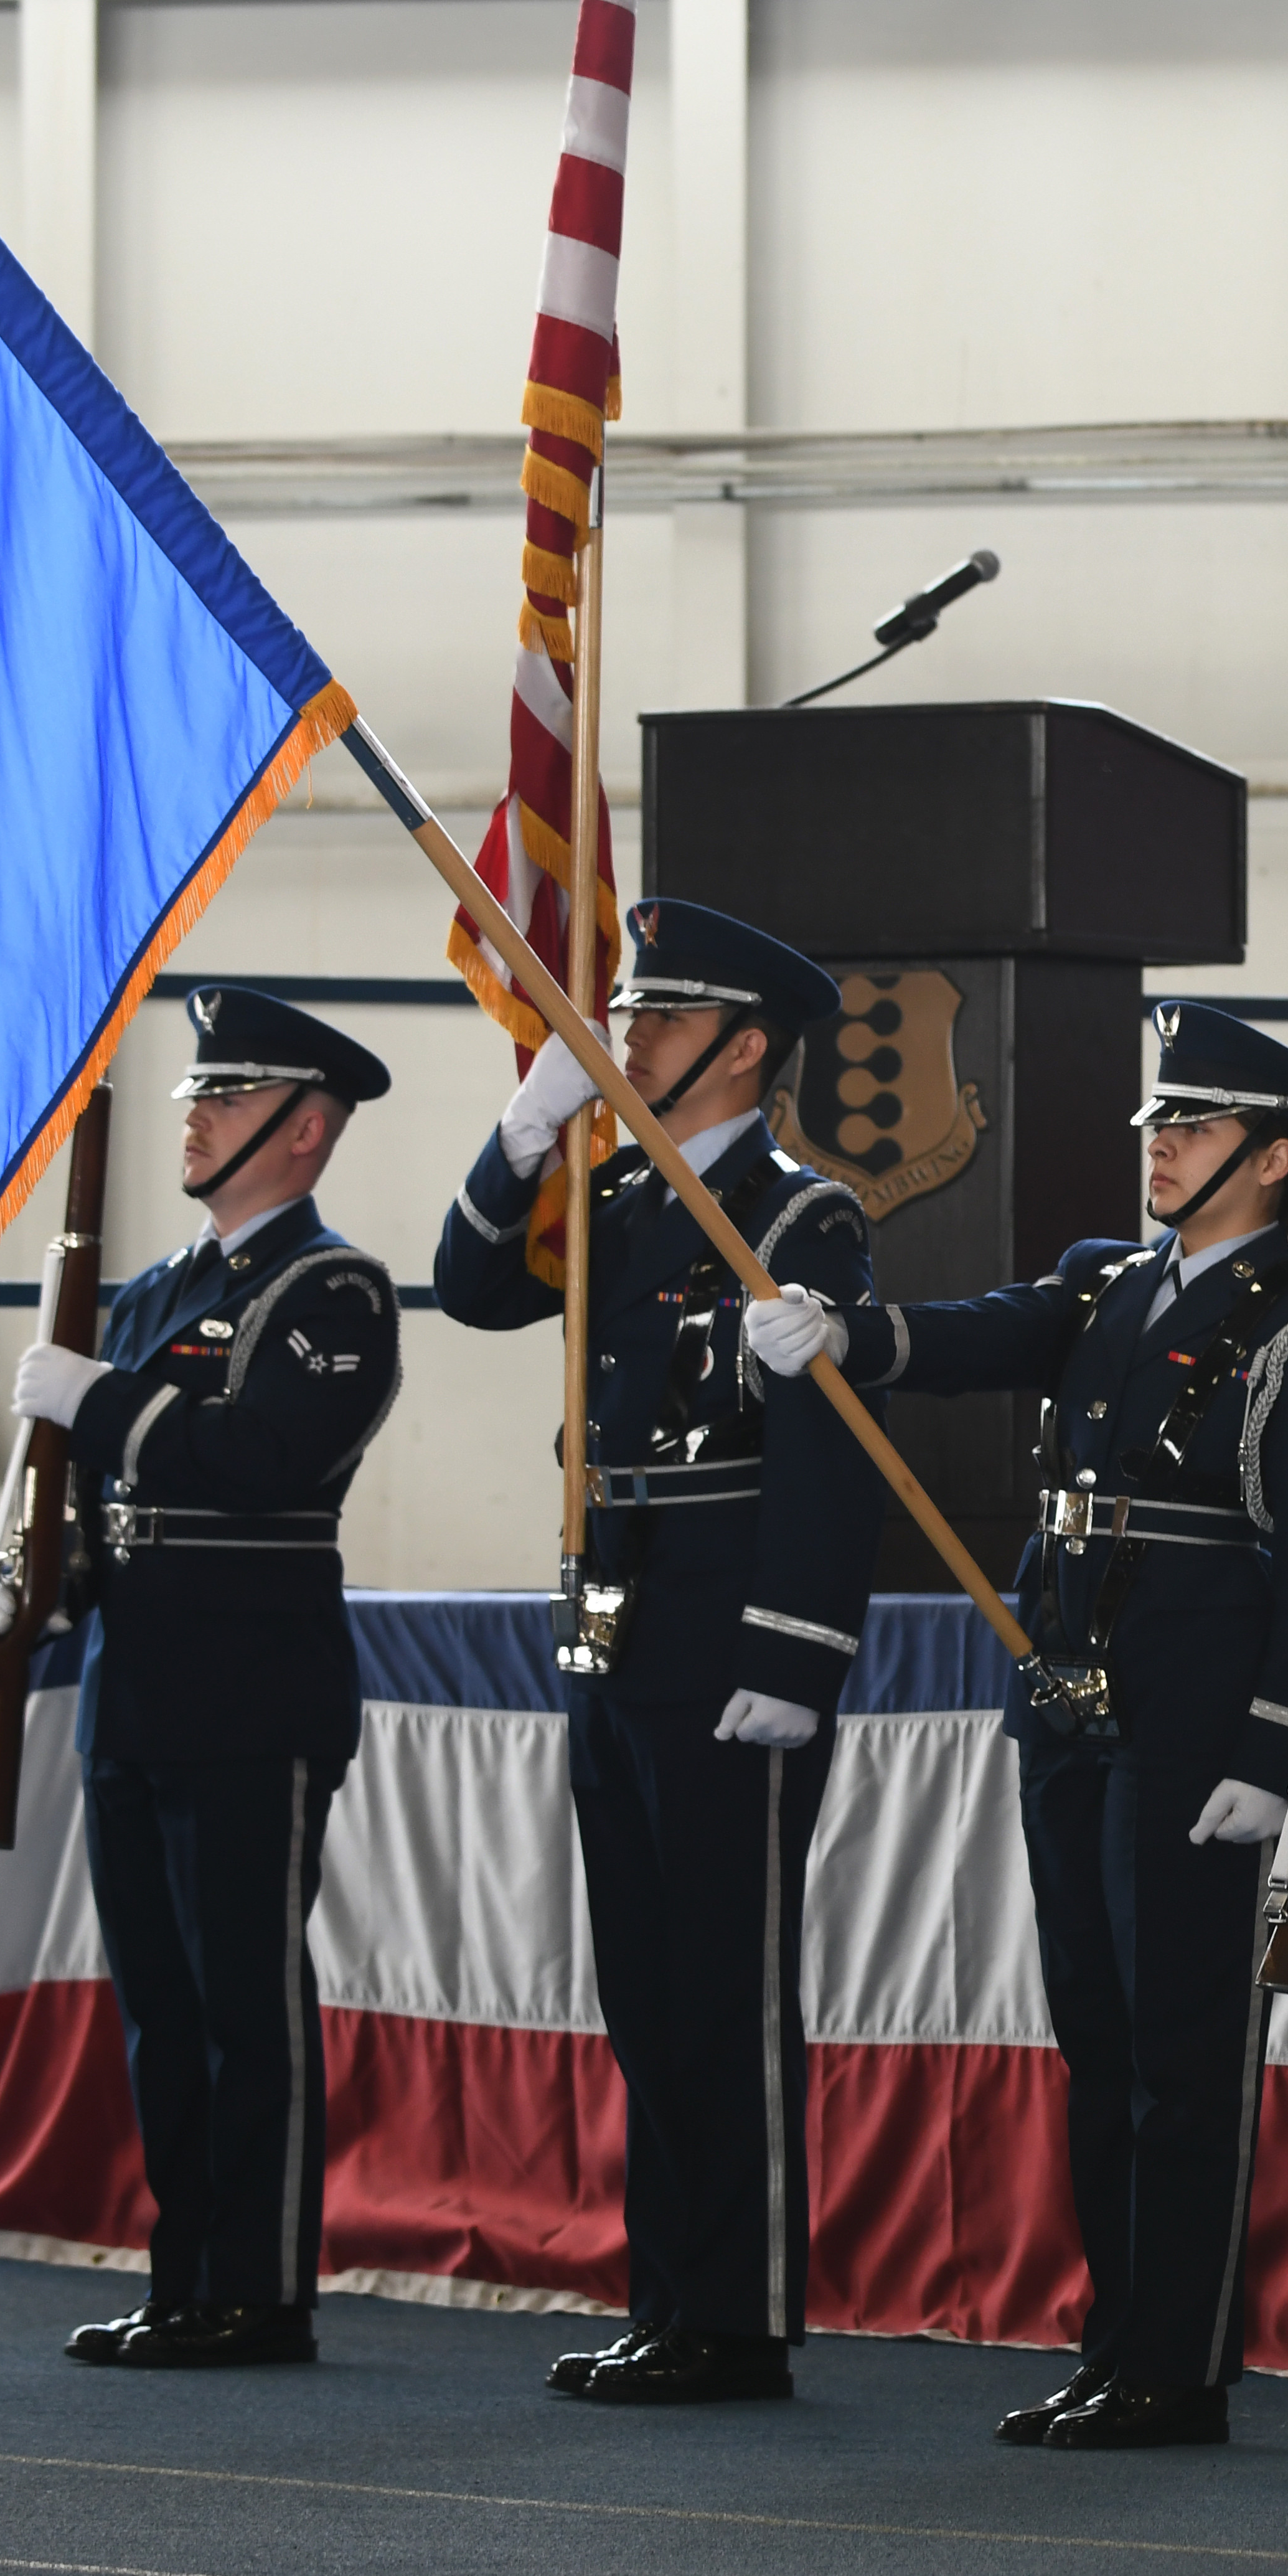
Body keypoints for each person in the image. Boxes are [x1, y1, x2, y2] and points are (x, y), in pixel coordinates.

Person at [745, 1002, 1288, 2453]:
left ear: (1275, 1159)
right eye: (1158, 1123)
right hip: (1069, 1689)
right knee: (1095, 2029)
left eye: (1196, 1127)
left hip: (1195, 1712)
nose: (1160, 1145)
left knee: (1179, 2043)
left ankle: (1178, 2358)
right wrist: (850, 1329)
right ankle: (1116, 2341)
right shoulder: (1108, 1283)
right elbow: (981, 1333)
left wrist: (1269, 1747)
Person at [433, 899, 885, 2407]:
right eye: (627, 1017)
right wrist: (517, 1141)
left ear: (744, 1044)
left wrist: (795, 1646)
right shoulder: (619, 1193)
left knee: (725, 1978)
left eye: (657, 1019)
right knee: (641, 1972)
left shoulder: (800, 1216)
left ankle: (742, 2310)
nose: (623, 1040)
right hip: (614, 1601)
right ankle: (672, 2292)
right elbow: (474, 1287)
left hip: (721, 1616)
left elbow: (830, 1459)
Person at [11, 985, 403, 2373]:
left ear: (305, 1129)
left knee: (247, 2004)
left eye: (226, 1100)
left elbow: (258, 1460)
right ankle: (184, 2278)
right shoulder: (160, 1289)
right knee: (162, 2009)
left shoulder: (332, 1290)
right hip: (138, 1683)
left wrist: (98, 1399)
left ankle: (261, 2288)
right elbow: (102, 1493)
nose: (193, 1116)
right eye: (193, 1096)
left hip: (251, 1692)